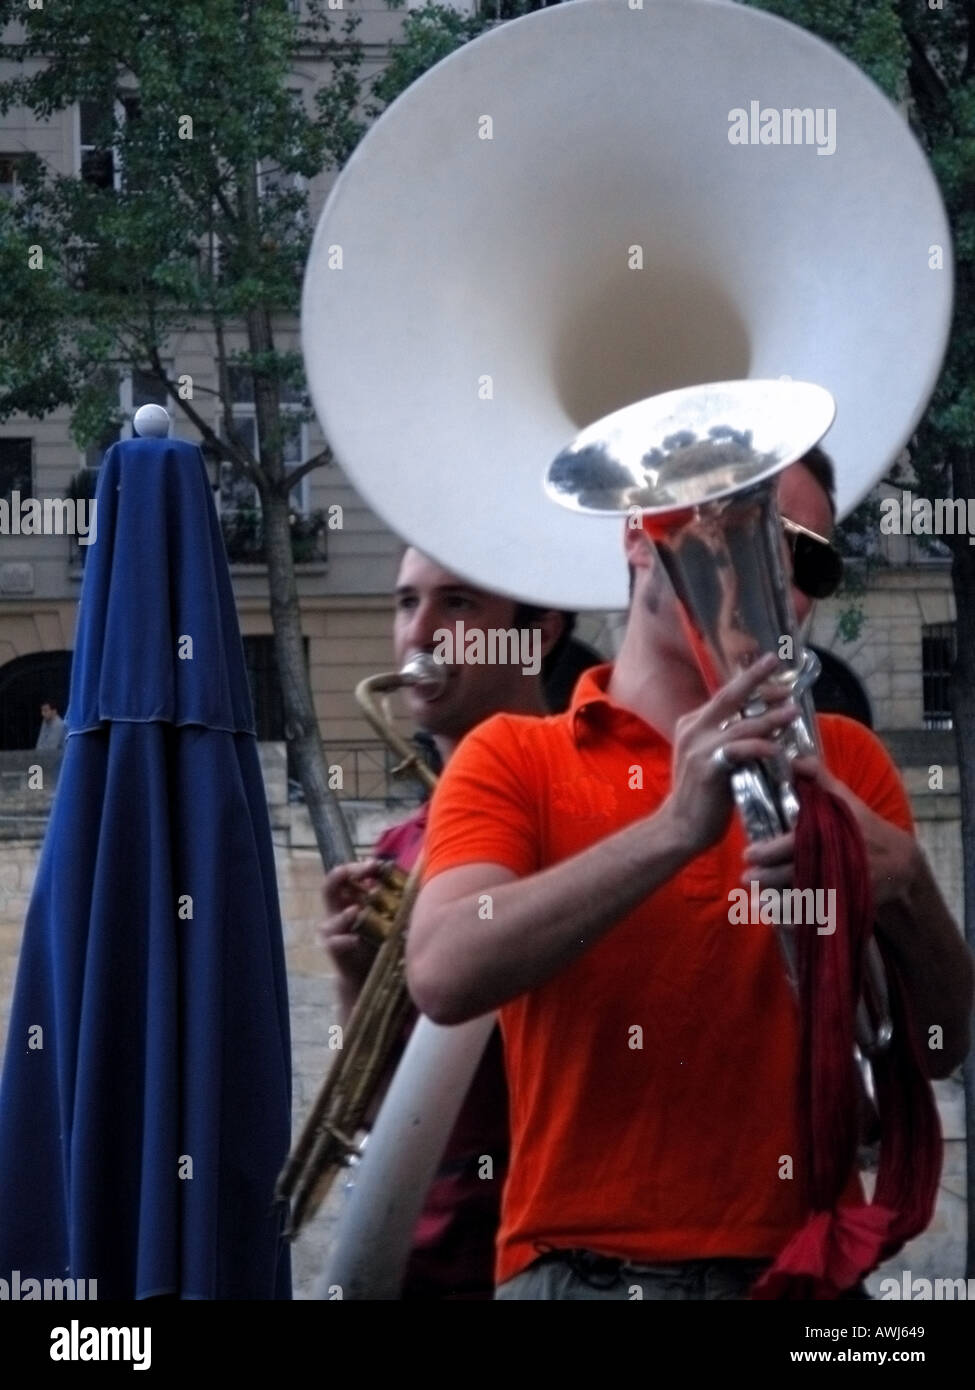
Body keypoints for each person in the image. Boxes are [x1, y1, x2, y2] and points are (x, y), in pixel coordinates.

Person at [407, 450, 975, 1301]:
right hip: (576, 1273)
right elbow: (444, 972)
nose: (781, 583)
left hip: (797, 1274)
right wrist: (672, 830)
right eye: (748, 537)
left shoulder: (844, 759)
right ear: (641, 536)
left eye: (808, 559)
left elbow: (938, 1047)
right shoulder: (513, 755)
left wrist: (905, 889)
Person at [320, 545, 572, 1299]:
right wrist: (356, 980)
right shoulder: (402, 845)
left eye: (456, 604)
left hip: (541, 1240)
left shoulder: (589, 802)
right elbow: (364, 1104)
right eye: (405, 602)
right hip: (421, 1239)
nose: (418, 632)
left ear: (538, 632)